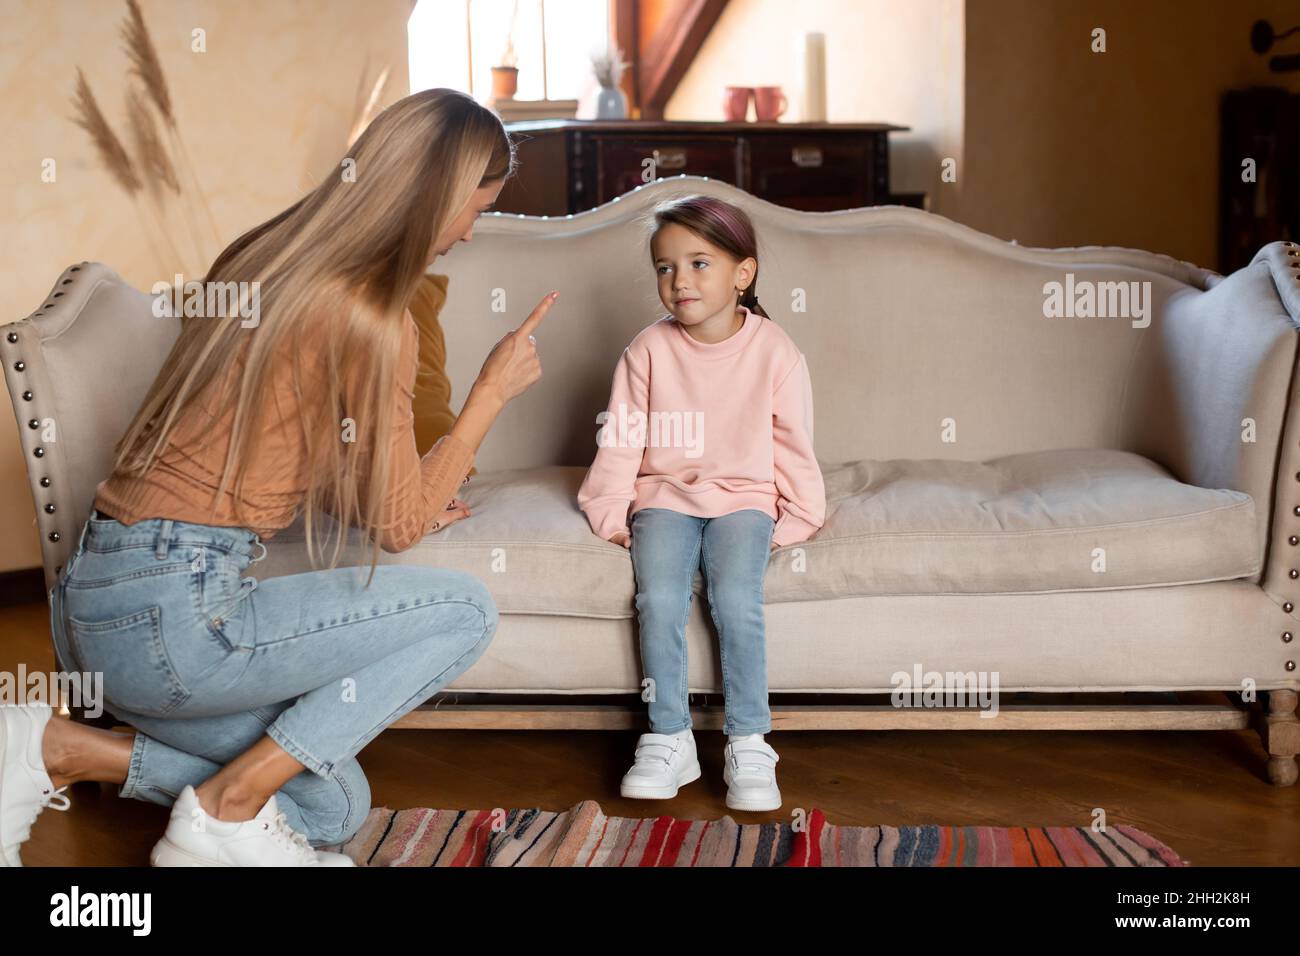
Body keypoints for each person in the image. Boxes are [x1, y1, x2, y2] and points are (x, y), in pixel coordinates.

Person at [0, 89, 560, 867]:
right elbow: (395, 528)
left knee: (328, 808)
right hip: (178, 619)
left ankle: (57, 748)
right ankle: (227, 806)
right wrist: (488, 398)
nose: (470, 231)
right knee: (464, 611)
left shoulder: (262, 258)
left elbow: (323, 469)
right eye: (477, 205)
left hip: (95, 610)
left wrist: (416, 491)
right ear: (436, 192)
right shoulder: (375, 318)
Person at [577, 194, 825, 812]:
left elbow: (792, 442)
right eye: (665, 267)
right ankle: (668, 736)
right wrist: (609, 509)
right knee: (658, 597)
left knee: (736, 597)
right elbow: (622, 437)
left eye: (699, 264)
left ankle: (749, 739)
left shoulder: (775, 351)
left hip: (745, 499)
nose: (680, 280)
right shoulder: (647, 351)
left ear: (744, 274)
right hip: (664, 498)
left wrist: (799, 515)